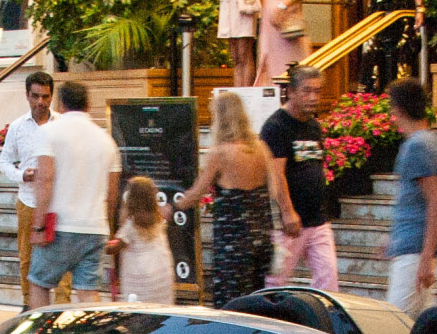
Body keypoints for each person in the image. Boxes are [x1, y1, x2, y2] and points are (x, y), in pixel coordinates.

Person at [178, 89, 276, 307]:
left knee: (231, 303)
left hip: (233, 239)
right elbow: (275, 189)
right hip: (261, 235)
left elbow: (197, 192)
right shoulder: (261, 148)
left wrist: (174, 206)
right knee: (256, 299)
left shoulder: (220, 153)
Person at [28, 80, 121, 308]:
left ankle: (39, 331)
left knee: (39, 284)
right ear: (87, 105)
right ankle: (88, 331)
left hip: (60, 226)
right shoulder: (107, 141)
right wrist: (107, 227)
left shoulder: (48, 133)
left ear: (60, 104)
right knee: (88, 292)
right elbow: (112, 194)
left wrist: (38, 226)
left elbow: (45, 179)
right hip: (95, 227)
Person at [260, 65, 338, 293]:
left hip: (317, 219)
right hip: (287, 221)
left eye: (317, 91)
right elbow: (276, 173)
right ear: (291, 92)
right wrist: (287, 212)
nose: (313, 97)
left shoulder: (313, 126)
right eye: (307, 91)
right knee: (276, 280)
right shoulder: (276, 126)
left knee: (328, 276)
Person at [385, 78, 437, 316]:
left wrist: (426, 258)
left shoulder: (419, 145)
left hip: (415, 251)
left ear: (399, 109)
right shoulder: (423, 142)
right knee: (416, 323)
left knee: (395, 323)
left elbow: (436, 202)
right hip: (412, 247)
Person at [0, 70, 56, 304]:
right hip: (28, 201)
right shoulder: (18, 127)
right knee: (26, 257)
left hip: (57, 201)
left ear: (51, 96)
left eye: (45, 96)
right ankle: (27, 304)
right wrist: (22, 175)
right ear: (27, 96)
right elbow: (4, 162)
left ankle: (62, 306)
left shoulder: (61, 124)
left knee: (60, 258)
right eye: (35, 96)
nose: (40, 102)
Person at [106, 175, 176, 304]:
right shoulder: (159, 220)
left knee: (137, 309)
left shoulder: (131, 226)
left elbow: (113, 248)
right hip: (161, 277)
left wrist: (100, 244)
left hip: (139, 282)